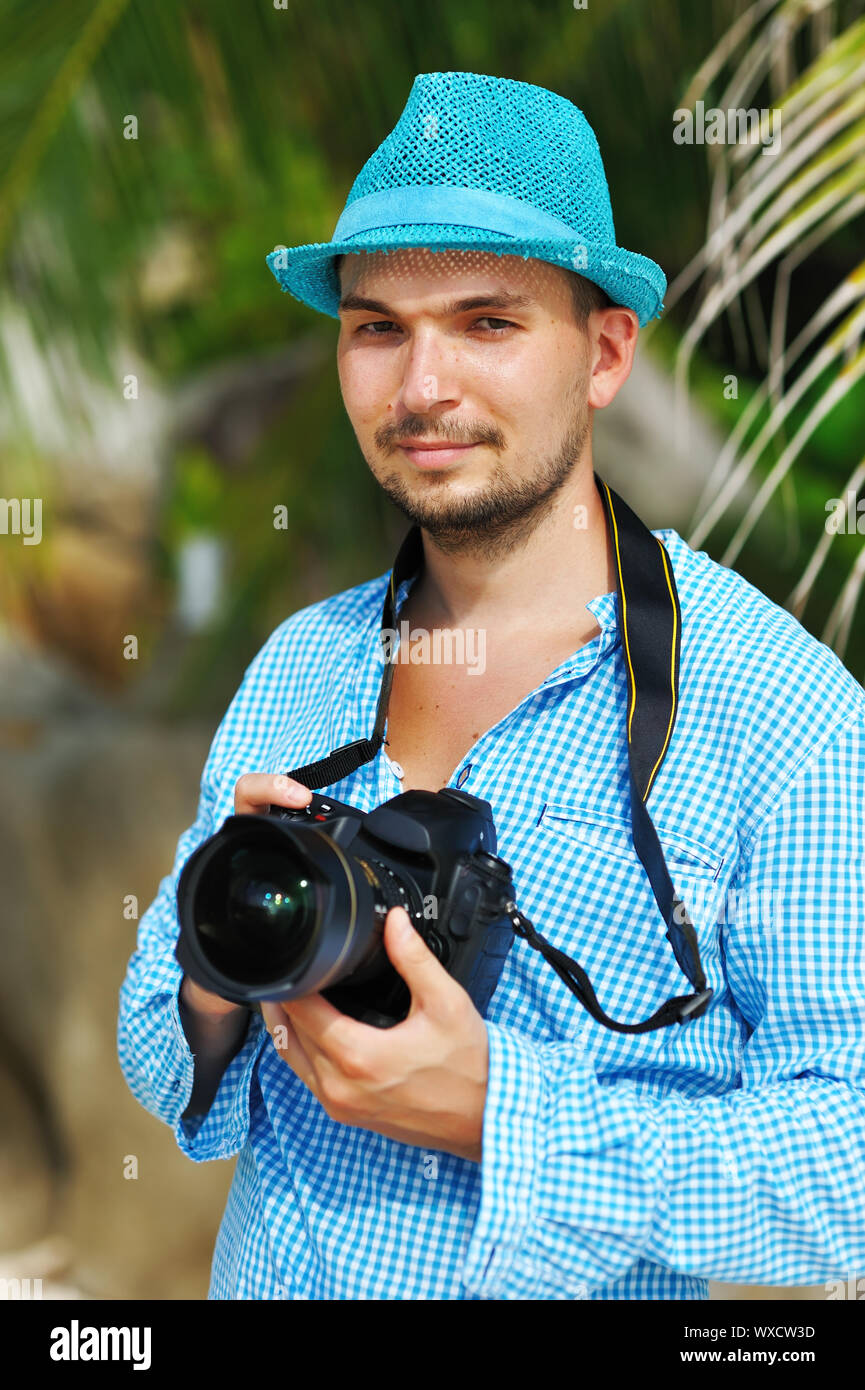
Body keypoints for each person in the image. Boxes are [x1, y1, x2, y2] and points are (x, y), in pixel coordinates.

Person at [117, 70, 865, 1301]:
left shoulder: (779, 713)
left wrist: (501, 1118)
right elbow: (161, 1049)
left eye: (487, 322)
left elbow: (844, 1169)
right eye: (377, 327)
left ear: (606, 351)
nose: (422, 388)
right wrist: (222, 960)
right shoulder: (302, 663)